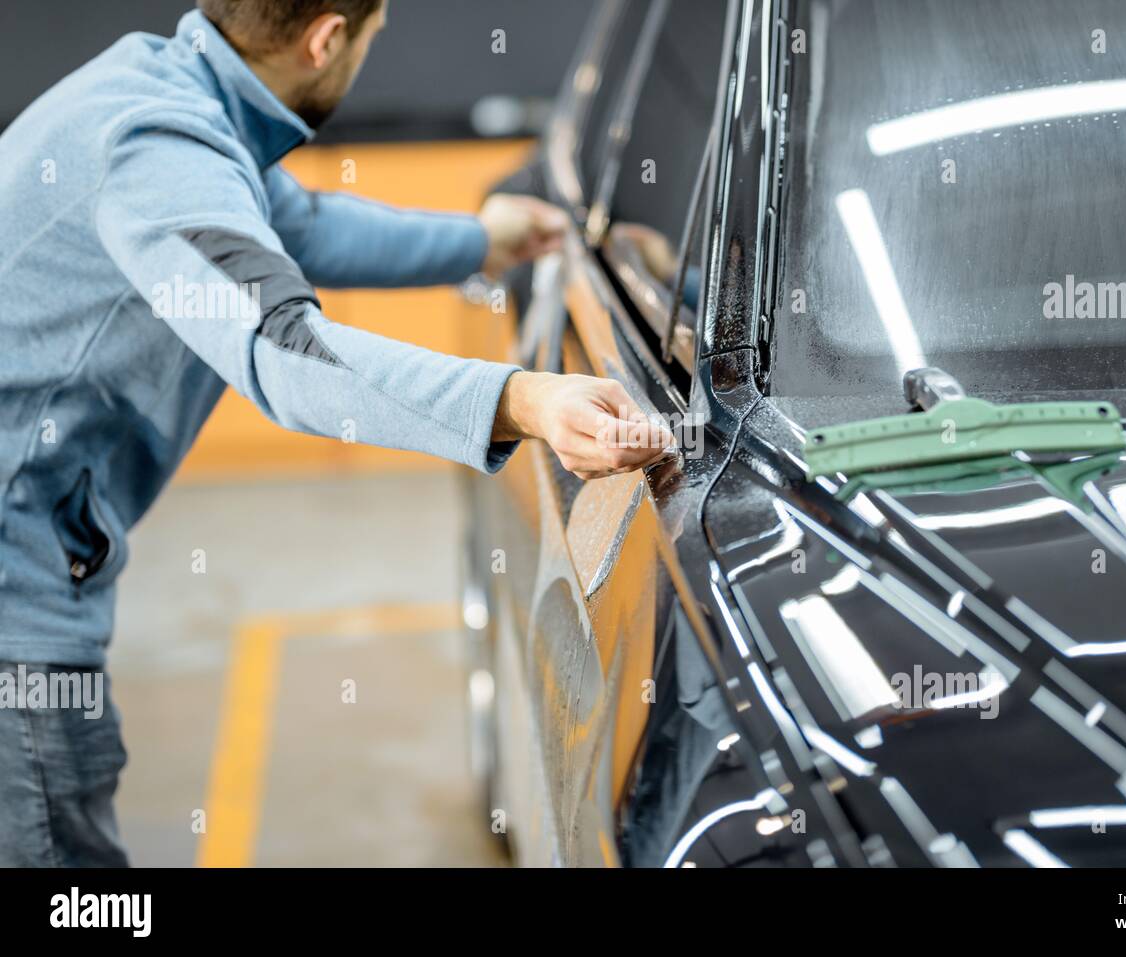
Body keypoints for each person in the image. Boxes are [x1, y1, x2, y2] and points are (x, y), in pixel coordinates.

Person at [0, 0, 669, 866]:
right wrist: (521, 399)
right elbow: (286, 352)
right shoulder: (157, 147)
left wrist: (479, 241)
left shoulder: (172, 92)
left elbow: (300, 228)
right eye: (371, 36)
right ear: (325, 40)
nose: (369, 52)